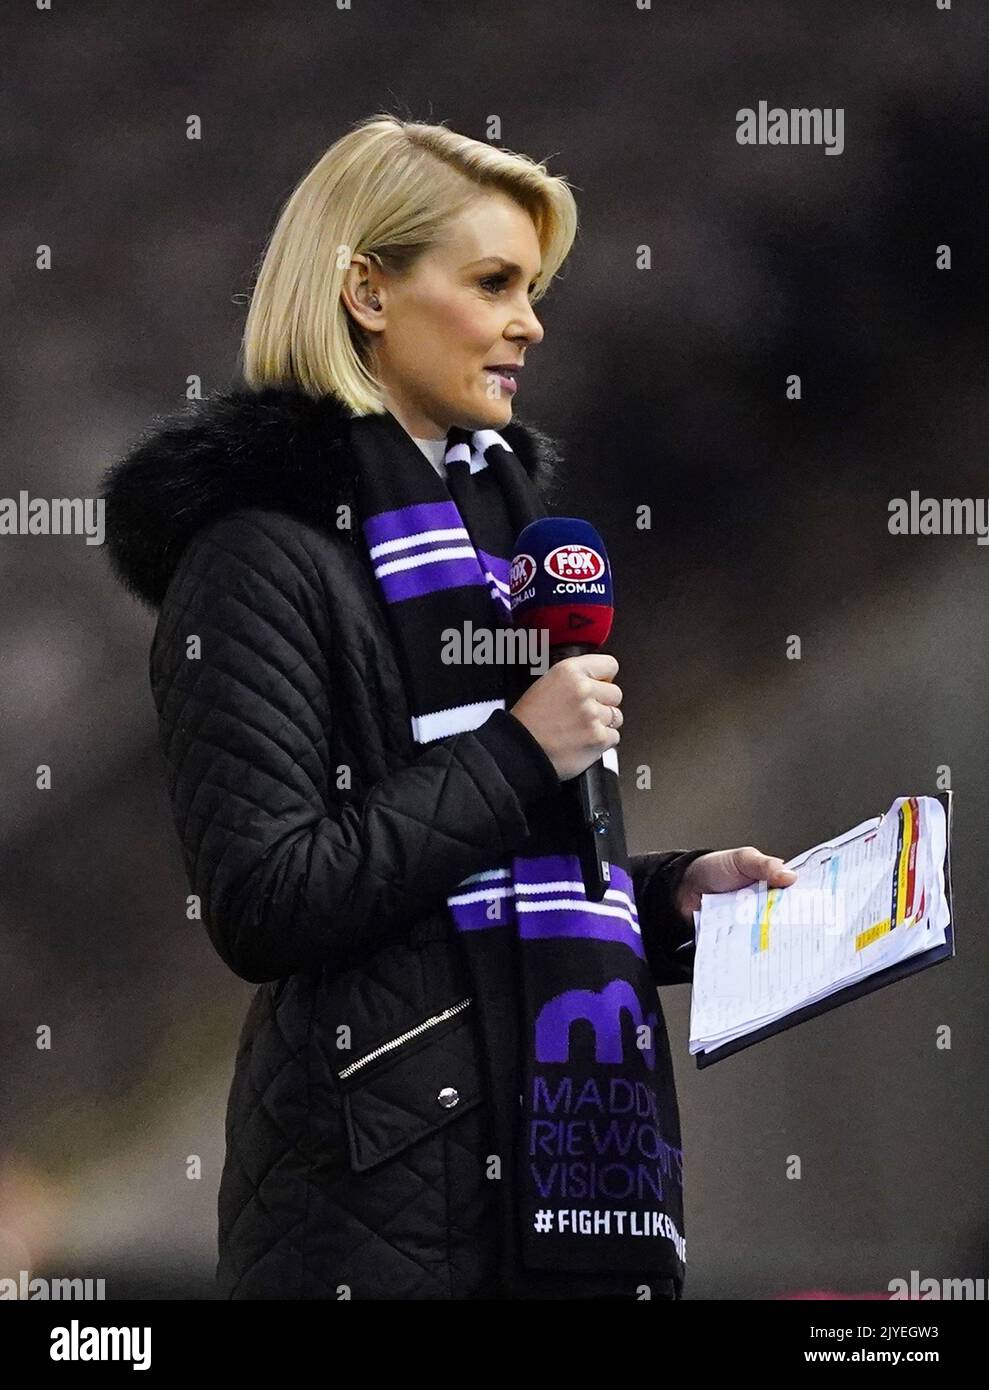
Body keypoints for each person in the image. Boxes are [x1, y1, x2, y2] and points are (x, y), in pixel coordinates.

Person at [99, 113, 795, 1300]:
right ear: (367, 290)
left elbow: (478, 895)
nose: (530, 321)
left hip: (535, 1200)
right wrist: (522, 752)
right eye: (493, 283)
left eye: (534, 286)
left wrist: (668, 897)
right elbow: (268, 898)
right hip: (372, 1215)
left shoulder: (502, 547)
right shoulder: (254, 562)